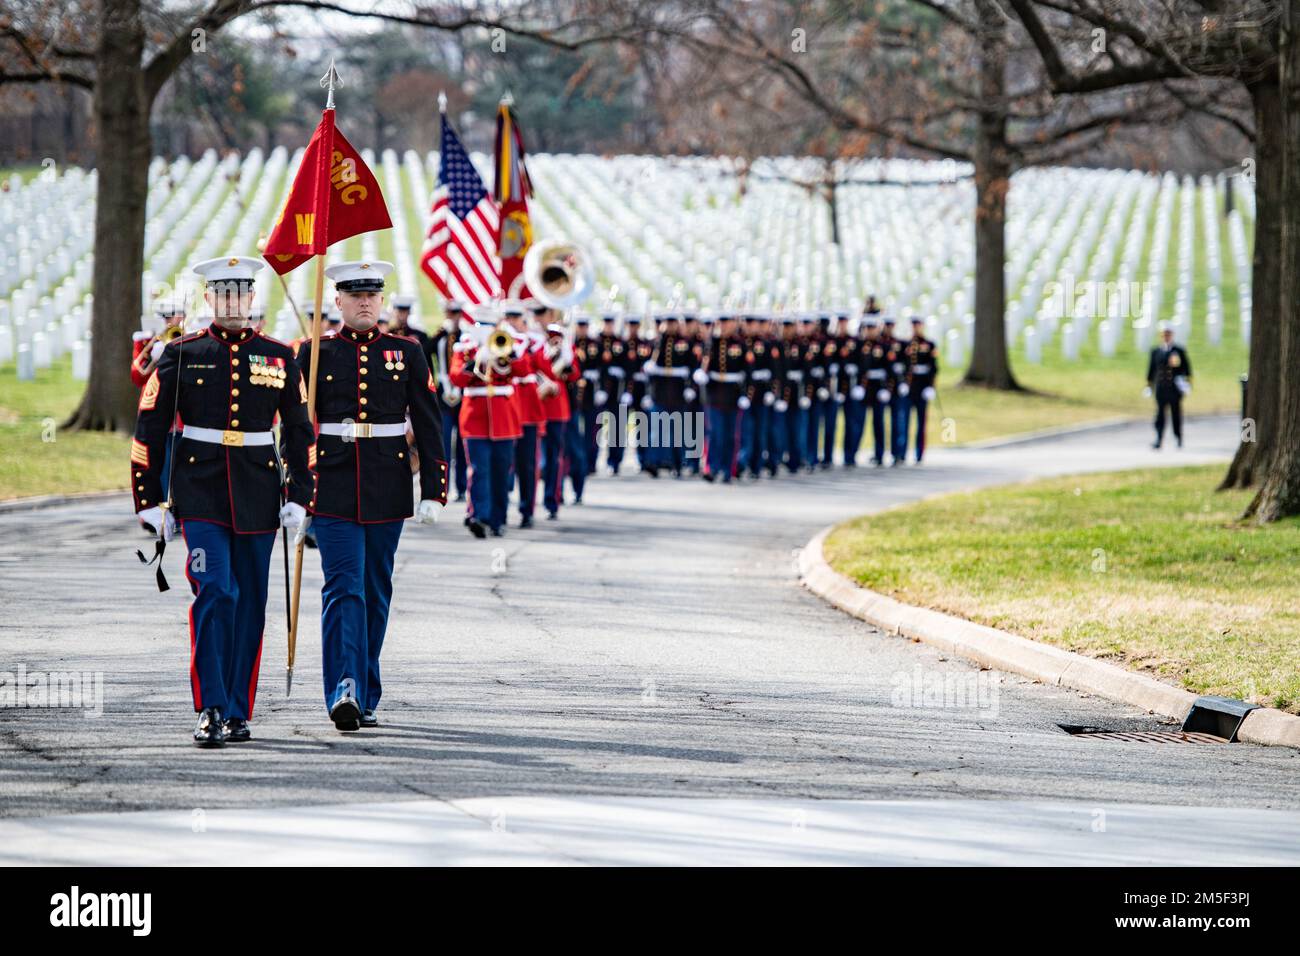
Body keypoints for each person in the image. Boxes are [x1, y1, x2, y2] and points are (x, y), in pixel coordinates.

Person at [132, 255, 313, 746]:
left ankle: (237, 709)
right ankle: (209, 706)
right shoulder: (183, 353)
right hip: (200, 495)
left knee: (251, 603)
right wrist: (148, 499)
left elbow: (299, 432)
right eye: (223, 293)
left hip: (258, 494)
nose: (232, 302)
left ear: (251, 298)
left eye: (241, 293)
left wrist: (300, 494)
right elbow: (149, 427)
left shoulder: (279, 355)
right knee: (215, 591)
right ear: (209, 298)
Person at [294, 260, 447, 733]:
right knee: (344, 588)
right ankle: (344, 688)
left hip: (387, 483)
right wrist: (296, 492)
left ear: (381, 301)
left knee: (377, 592)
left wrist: (434, 490)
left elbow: (428, 420)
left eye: (371, 294)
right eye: (353, 294)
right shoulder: (315, 353)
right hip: (333, 485)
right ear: (337, 301)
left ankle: (366, 686)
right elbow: (296, 427)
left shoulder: (407, 352)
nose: (364, 301)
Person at [450, 310, 532, 537]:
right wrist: (478, 360)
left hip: (504, 418)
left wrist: (509, 352)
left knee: (501, 471)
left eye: (490, 324)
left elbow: (524, 369)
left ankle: (498, 519)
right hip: (475, 418)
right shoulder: (464, 348)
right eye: (481, 323)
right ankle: (479, 516)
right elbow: (456, 377)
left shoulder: (508, 344)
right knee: (478, 469)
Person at [696, 311, 746, 483]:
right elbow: (705, 364)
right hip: (715, 394)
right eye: (721, 322)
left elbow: (747, 371)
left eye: (727, 322)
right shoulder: (712, 343)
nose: (724, 326)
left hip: (733, 395)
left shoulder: (740, 343)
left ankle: (727, 469)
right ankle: (711, 467)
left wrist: (745, 394)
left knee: (731, 436)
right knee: (715, 433)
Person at [540, 323, 580, 519]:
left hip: (556, 409)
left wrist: (564, 353)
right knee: (534, 460)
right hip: (535, 407)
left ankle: (552, 500)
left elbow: (574, 374)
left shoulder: (565, 347)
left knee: (554, 458)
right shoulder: (534, 344)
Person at [1147, 322, 1192, 449]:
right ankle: (1159, 438)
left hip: (1174, 389)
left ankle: (1178, 437)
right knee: (1160, 415)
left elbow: (1186, 369)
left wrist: (1187, 383)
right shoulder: (1156, 351)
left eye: (1168, 334)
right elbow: (1151, 369)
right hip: (1161, 388)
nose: (1166, 336)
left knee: (1176, 414)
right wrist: (1149, 385)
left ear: (1172, 335)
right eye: (1164, 334)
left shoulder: (1178, 351)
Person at [903, 316, 939, 463]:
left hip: (923, 387)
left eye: (918, 325)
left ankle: (919, 452)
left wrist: (930, 387)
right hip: (910, 387)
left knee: (921, 422)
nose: (916, 328)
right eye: (914, 325)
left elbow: (934, 367)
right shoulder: (906, 344)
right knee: (904, 422)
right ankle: (902, 452)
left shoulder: (929, 344)